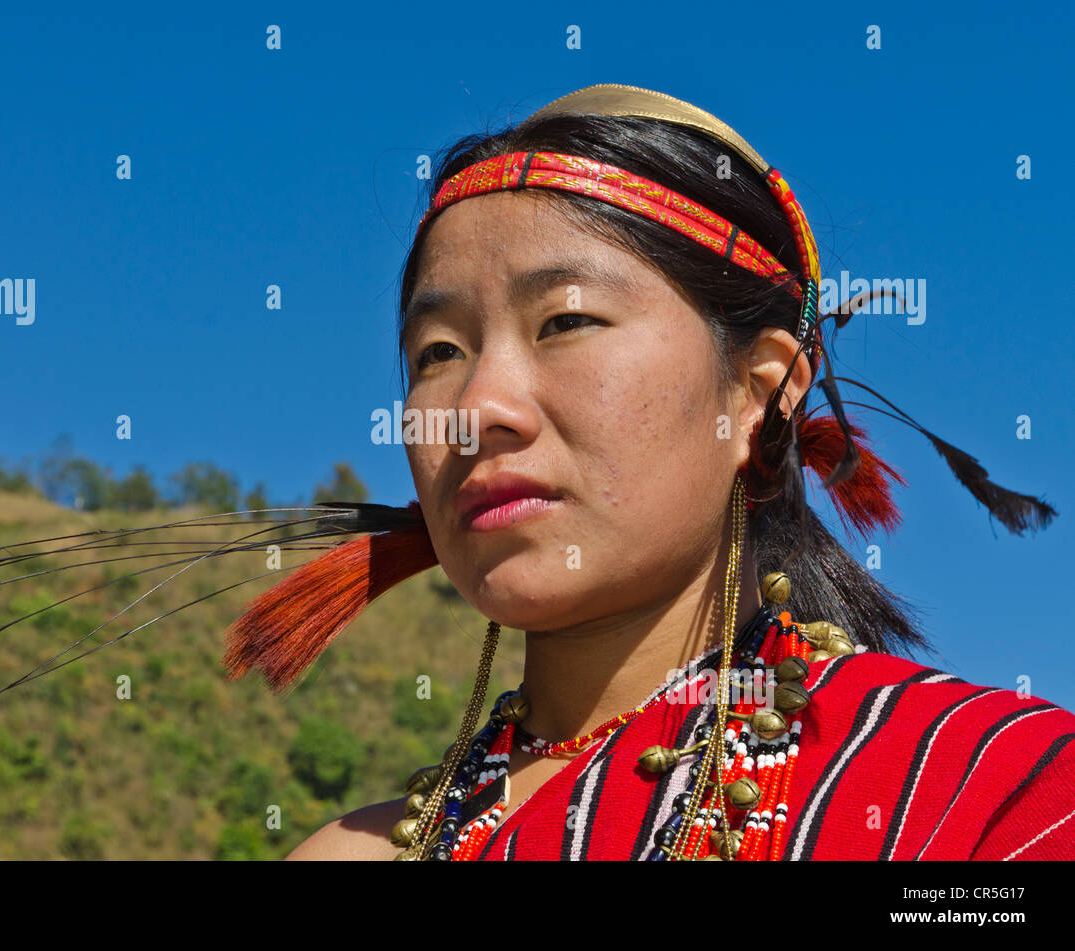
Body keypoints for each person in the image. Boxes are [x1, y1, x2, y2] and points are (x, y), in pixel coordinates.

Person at [276, 84, 1073, 861]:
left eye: (566, 321)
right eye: (437, 352)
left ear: (760, 389)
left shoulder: (993, 800)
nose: (479, 406)